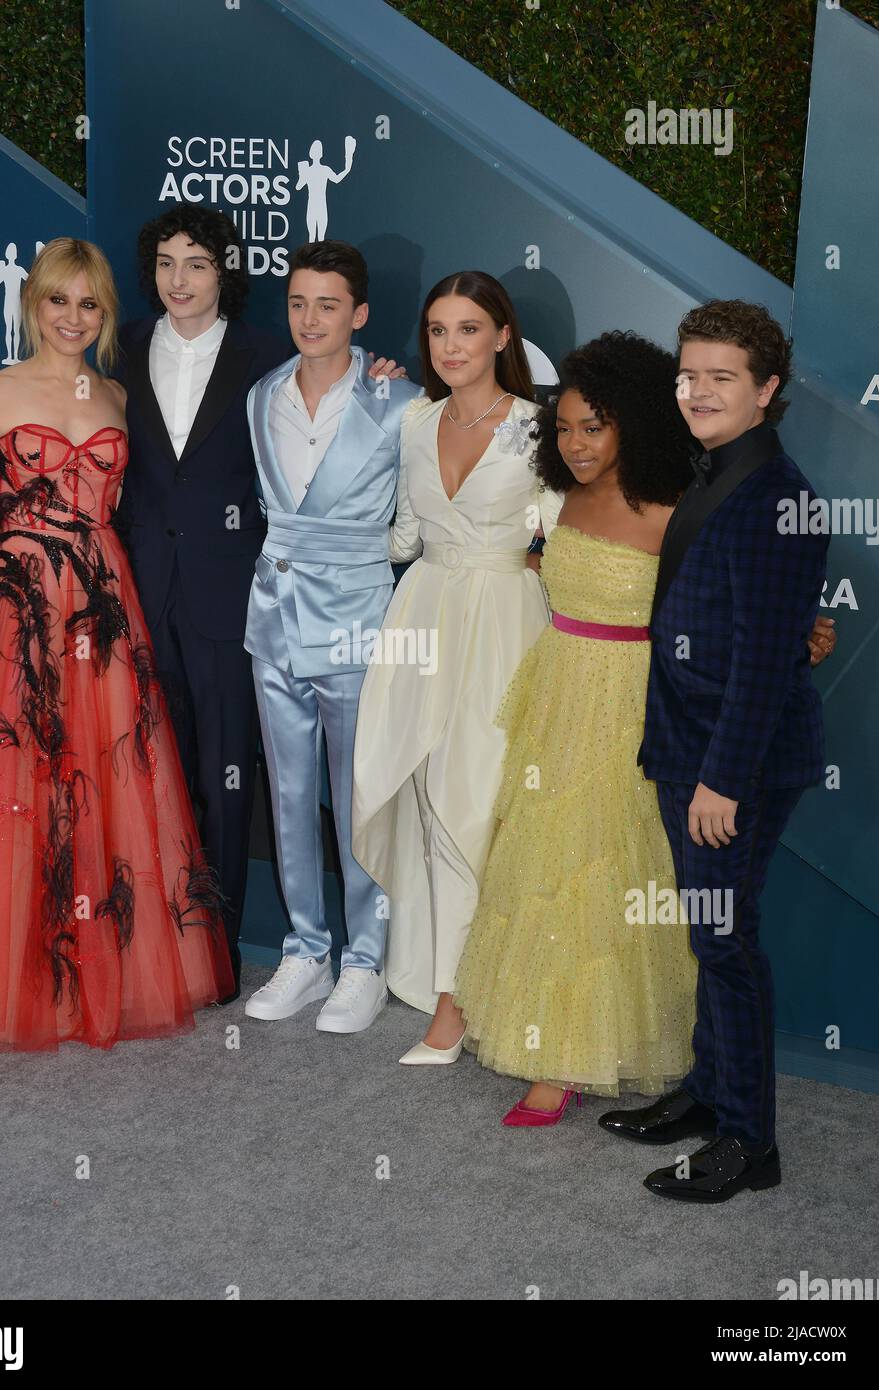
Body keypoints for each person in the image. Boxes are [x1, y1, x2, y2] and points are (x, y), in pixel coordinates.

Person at [0, 237, 234, 1049]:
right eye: (58, 300)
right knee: (8, 778)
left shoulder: (116, 392)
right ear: (32, 304)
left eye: (90, 303)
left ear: (106, 313)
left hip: (103, 605)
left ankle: (92, 979)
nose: (72, 317)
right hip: (15, 599)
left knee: (103, 781)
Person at [114, 211, 401, 991]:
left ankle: (216, 956)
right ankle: (148, 947)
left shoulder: (271, 354)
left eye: (197, 264)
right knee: (148, 770)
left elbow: (353, 389)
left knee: (232, 779)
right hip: (141, 593)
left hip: (240, 599)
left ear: (224, 275)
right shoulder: (123, 345)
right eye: (167, 262)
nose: (180, 279)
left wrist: (385, 378)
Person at [600, 300, 831, 1203]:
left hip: (732, 767)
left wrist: (721, 782)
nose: (697, 391)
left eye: (721, 377)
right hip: (687, 751)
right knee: (708, 936)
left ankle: (749, 1143)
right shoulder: (715, 472)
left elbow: (769, 661)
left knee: (727, 944)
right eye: (688, 373)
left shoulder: (781, 499)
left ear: (768, 390)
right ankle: (709, 1090)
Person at [453, 332, 700, 1121]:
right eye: (562, 428)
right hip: (556, 691)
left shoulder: (672, 513)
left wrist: (801, 633)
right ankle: (540, 1035)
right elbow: (545, 567)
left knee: (608, 870)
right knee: (539, 863)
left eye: (594, 426)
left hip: (626, 706)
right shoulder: (562, 499)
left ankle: (567, 1060)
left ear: (635, 422)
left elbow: (715, 614)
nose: (575, 443)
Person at [351, 271, 559, 1062]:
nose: (451, 346)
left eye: (468, 329)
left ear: (503, 336)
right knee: (426, 794)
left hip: (504, 623)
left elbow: (563, 531)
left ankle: (458, 997)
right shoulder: (412, 420)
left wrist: (536, 565)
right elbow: (403, 536)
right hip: (423, 616)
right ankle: (446, 978)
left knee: (477, 805)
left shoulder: (541, 428)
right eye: (438, 331)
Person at [242, 242, 421, 1032]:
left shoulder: (402, 401)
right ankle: (307, 950)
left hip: (355, 619)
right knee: (286, 795)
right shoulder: (261, 395)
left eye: (327, 305)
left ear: (361, 314)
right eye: (297, 303)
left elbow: (415, 520)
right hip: (273, 614)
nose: (310, 320)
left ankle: (365, 961)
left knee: (359, 796)